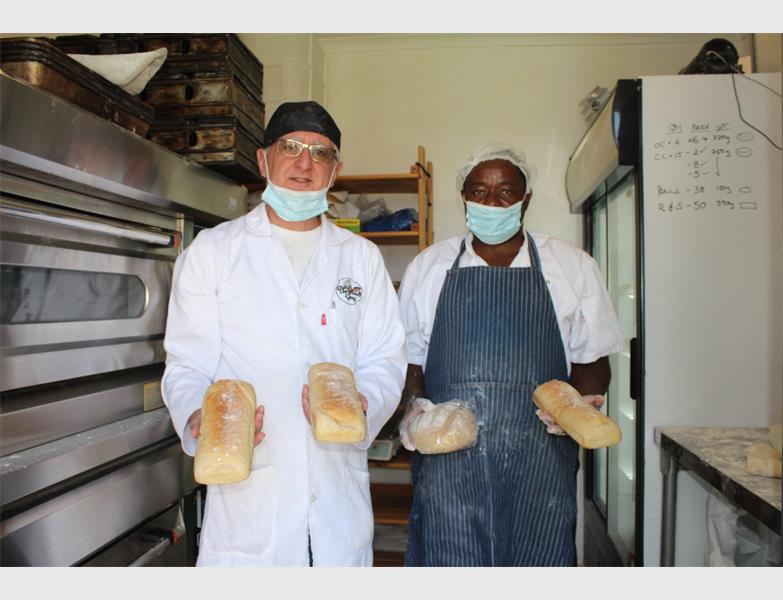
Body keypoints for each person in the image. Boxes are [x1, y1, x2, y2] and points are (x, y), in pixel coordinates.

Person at [161, 101, 406, 566]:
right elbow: (187, 364)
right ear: (263, 159)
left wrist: (364, 405)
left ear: (335, 170)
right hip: (251, 502)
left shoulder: (361, 257)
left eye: (320, 152)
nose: (304, 163)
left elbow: (385, 359)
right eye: (290, 147)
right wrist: (196, 415)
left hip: (337, 500)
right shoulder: (214, 251)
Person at [397, 143, 623, 566]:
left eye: (506, 192)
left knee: (538, 558)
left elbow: (592, 362)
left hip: (539, 457)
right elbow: (410, 360)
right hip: (448, 458)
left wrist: (579, 407)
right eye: (479, 192)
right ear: (463, 198)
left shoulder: (571, 266)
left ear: (526, 199)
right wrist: (415, 410)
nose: (491, 203)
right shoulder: (429, 267)